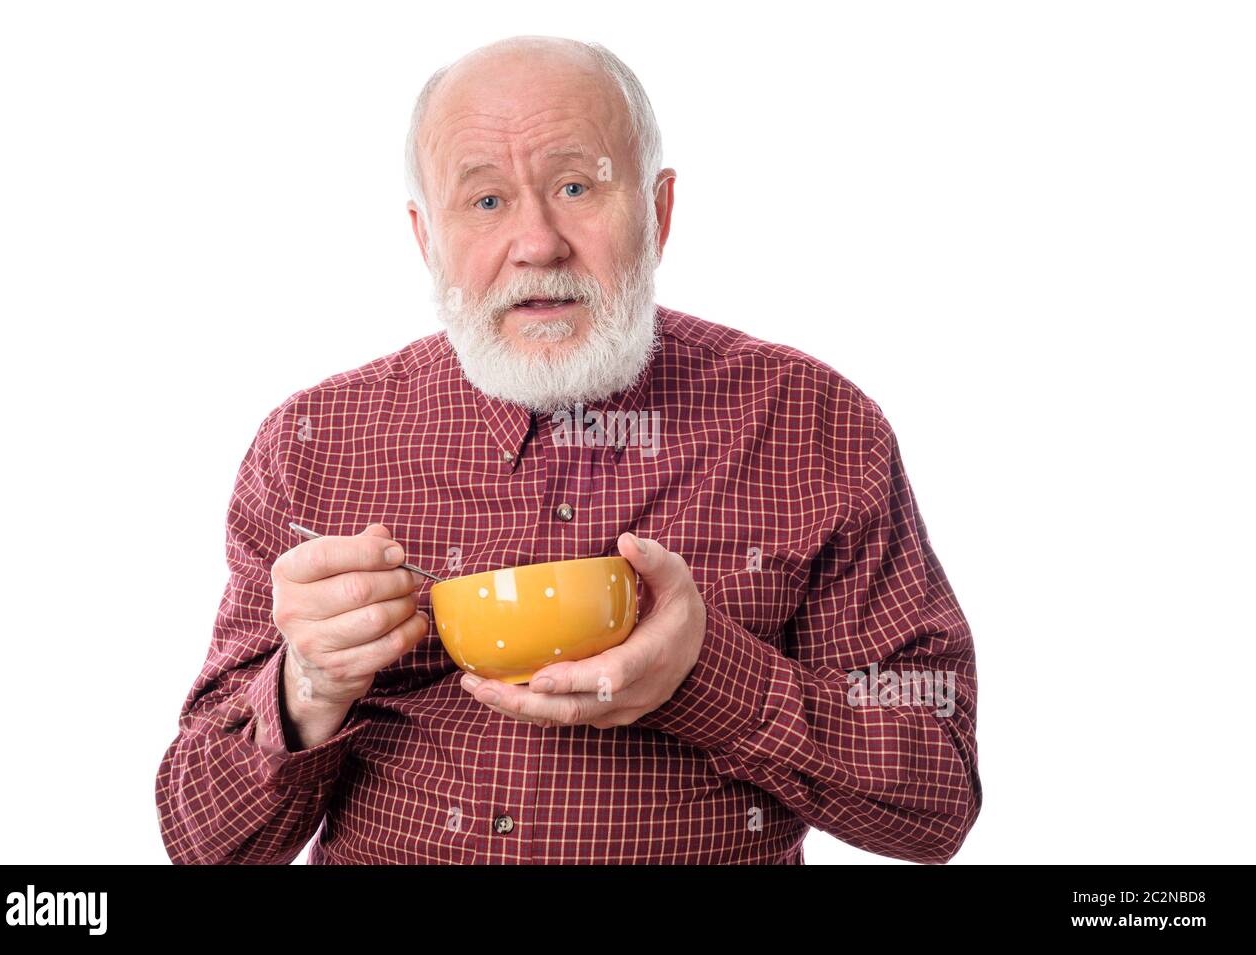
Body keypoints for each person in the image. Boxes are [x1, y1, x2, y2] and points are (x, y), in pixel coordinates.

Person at [155, 35, 981, 865]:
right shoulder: (313, 443)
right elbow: (200, 843)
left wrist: (707, 677)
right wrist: (307, 687)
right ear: (425, 238)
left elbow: (936, 800)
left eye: (576, 186)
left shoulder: (813, 424)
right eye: (484, 202)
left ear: (658, 213)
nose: (538, 243)